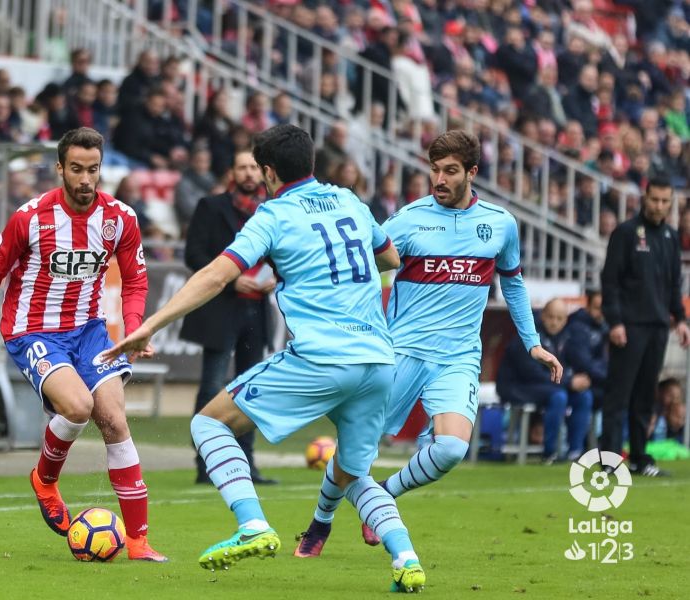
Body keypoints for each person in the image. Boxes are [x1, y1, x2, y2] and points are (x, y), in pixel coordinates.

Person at [104, 125, 426, 593]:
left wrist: (149, 325)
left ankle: (253, 523)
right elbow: (390, 257)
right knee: (355, 473)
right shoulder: (351, 201)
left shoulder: (272, 214)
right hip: (378, 361)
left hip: (322, 357)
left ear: (269, 172)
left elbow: (217, 275)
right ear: (312, 163)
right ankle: (406, 558)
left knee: (208, 424)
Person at [295, 130, 562, 554]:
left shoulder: (499, 224)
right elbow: (357, 265)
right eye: (434, 169)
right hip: (400, 352)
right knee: (352, 454)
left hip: (458, 357)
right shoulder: (407, 221)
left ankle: (383, 494)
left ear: (472, 172)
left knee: (453, 448)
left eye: (450, 171)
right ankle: (320, 522)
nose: (439, 179)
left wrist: (532, 343)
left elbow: (512, 283)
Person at [0, 128, 167, 562]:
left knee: (114, 421)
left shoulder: (120, 218)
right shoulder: (29, 218)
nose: (86, 179)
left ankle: (139, 542)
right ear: (61, 168)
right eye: (77, 169)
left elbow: (137, 278)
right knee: (79, 407)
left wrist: (135, 328)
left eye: (94, 170)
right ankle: (45, 480)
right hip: (33, 331)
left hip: (90, 331)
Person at [179, 150, 276, 486]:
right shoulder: (211, 207)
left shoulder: (271, 211)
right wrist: (232, 280)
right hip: (220, 309)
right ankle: (205, 463)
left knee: (251, 390)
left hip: (257, 311)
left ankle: (246, 463)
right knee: (212, 386)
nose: (249, 174)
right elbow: (194, 254)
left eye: (254, 167)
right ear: (232, 173)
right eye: (242, 168)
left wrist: (278, 277)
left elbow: (282, 255)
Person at [600, 177, 690, 477]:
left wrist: (681, 319)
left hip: (658, 327)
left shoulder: (670, 236)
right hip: (628, 326)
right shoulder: (625, 233)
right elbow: (610, 281)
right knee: (618, 395)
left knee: (645, 397)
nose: (660, 206)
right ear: (645, 198)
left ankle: (639, 457)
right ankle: (610, 460)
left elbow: (673, 283)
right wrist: (614, 321)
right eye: (655, 200)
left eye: (665, 201)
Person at [497, 299, 592, 462]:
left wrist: (580, 379)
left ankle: (575, 451)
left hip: (550, 386)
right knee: (559, 396)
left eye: (559, 318)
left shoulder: (568, 337)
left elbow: (575, 362)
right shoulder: (528, 334)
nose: (554, 323)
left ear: (566, 320)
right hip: (518, 387)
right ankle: (550, 452)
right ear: (543, 316)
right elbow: (530, 372)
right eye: (551, 317)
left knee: (584, 396)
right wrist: (569, 381)